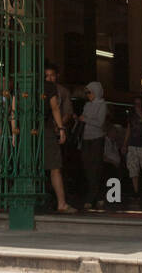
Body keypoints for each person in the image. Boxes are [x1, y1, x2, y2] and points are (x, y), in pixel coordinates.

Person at [44, 63, 75, 213]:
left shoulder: (62, 91)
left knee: (58, 166)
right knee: (55, 167)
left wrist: (60, 125)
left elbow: (66, 111)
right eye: (46, 75)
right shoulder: (47, 88)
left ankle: (59, 201)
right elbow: (54, 108)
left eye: (52, 75)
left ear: (57, 76)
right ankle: (59, 203)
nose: (49, 78)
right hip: (49, 131)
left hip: (51, 130)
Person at [80, 80, 108, 211]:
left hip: (97, 139)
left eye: (89, 92)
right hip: (86, 139)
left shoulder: (102, 105)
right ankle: (95, 195)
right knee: (87, 167)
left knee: (96, 167)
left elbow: (100, 122)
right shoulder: (87, 105)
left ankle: (93, 197)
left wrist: (85, 119)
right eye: (86, 93)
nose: (88, 95)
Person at [123, 93, 142, 206]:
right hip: (133, 145)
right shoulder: (131, 116)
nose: (137, 106)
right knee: (133, 169)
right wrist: (125, 144)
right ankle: (136, 192)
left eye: (139, 104)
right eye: (135, 104)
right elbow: (128, 129)